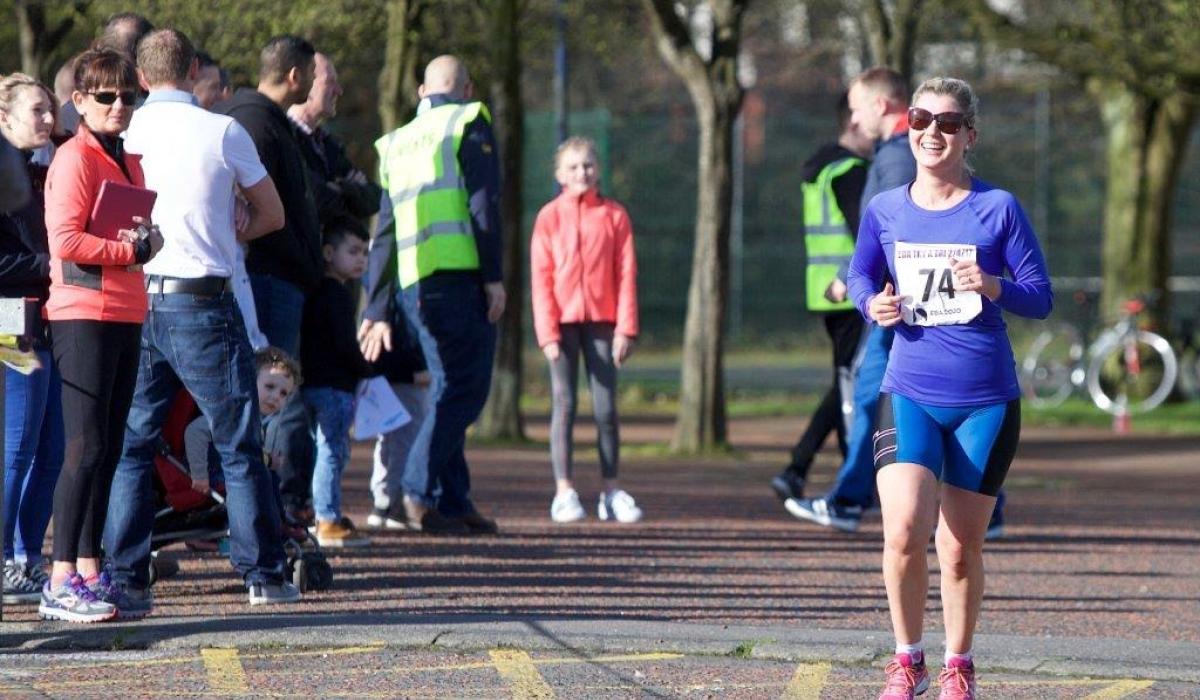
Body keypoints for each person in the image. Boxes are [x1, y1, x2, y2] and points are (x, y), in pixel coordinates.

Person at [848, 77, 1052, 700]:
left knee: (960, 549)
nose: (931, 132)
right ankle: (905, 660)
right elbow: (859, 274)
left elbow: (1039, 296)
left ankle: (957, 665)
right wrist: (871, 304)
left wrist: (993, 285)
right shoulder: (887, 208)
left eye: (947, 123)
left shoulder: (998, 208)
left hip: (984, 402)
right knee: (904, 529)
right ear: (908, 125)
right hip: (908, 390)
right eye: (920, 119)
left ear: (969, 136)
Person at [104, 28, 299, 611]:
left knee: (133, 443)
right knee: (238, 442)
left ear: (141, 77)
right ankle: (262, 574)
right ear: (193, 70)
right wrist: (231, 226)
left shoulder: (124, 130)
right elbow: (273, 214)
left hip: (137, 294)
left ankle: (125, 574)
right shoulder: (223, 131)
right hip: (203, 300)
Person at [39, 49, 164, 623]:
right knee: (83, 449)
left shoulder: (127, 160)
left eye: (128, 96)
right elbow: (65, 240)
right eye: (106, 96)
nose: (119, 106)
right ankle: (59, 577)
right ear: (80, 101)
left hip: (125, 311)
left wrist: (149, 241)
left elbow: (128, 236)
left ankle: (89, 570)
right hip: (82, 313)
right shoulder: (74, 157)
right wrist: (127, 249)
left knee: (109, 448)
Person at [360, 54, 504, 535]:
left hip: (411, 283)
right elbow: (483, 206)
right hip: (458, 277)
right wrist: (493, 276)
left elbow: (383, 232)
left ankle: (453, 500)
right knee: (465, 387)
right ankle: (418, 490)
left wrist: (377, 306)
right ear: (467, 89)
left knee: (446, 384)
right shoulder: (468, 122)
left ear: (422, 92)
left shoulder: (397, 142)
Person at [530, 137, 641, 523]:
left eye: (588, 165)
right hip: (561, 324)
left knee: (606, 408)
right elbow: (541, 278)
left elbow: (626, 273)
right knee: (564, 404)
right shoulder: (548, 218)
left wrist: (625, 328)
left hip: (603, 322)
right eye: (573, 167)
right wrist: (547, 333)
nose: (582, 173)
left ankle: (611, 491)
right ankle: (564, 492)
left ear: (598, 169)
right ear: (560, 174)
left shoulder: (615, 216)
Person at [771, 92, 871, 506]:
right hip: (850, 289)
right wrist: (850, 277)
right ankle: (801, 468)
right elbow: (867, 234)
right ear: (854, 122)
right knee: (848, 384)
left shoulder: (821, 169)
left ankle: (828, 473)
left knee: (844, 382)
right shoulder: (850, 171)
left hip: (826, 289)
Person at [214, 35, 322, 357]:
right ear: (294, 76)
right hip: (267, 281)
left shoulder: (267, 121)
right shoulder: (256, 123)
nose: (314, 82)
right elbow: (245, 203)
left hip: (276, 279)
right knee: (270, 379)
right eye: (312, 73)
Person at [0, 73, 62, 605]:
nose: (48, 119)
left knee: (52, 447)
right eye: (37, 110)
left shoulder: (46, 169)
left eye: (51, 109)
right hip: (10, 323)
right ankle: (5, 561)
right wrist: (52, 264)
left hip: (50, 321)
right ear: (5, 118)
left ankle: (27, 557)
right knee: (17, 446)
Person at [300, 218, 373, 547]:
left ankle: (317, 512)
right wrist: (365, 370)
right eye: (353, 251)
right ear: (329, 253)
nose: (361, 260)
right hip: (335, 388)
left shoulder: (313, 293)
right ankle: (327, 517)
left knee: (319, 450)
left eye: (365, 253)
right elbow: (345, 345)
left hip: (311, 384)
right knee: (333, 451)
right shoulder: (338, 296)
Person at [287, 53, 381, 229]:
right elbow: (316, 200)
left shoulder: (328, 144)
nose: (339, 90)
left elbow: (374, 197)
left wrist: (339, 188)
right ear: (305, 83)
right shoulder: (285, 139)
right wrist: (351, 189)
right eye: (330, 82)